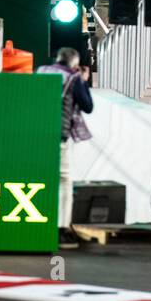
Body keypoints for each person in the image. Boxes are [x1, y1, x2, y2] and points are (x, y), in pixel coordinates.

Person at [37, 47, 94, 243]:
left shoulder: (42, 71)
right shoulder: (73, 78)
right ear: (74, 64)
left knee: (41, 178)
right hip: (58, 135)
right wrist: (83, 81)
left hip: (37, 133)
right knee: (64, 180)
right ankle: (62, 228)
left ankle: (37, 222)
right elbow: (88, 106)